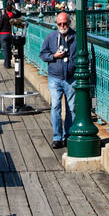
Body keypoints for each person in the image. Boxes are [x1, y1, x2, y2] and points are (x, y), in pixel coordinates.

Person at [38, 11, 78, 149]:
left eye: (65, 23)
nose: (62, 26)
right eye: (59, 24)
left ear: (69, 23)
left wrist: (74, 65)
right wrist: (54, 56)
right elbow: (42, 54)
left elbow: (83, 57)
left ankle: (68, 135)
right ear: (56, 24)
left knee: (71, 108)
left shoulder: (76, 38)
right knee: (55, 107)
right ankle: (57, 137)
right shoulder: (51, 37)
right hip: (55, 77)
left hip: (71, 78)